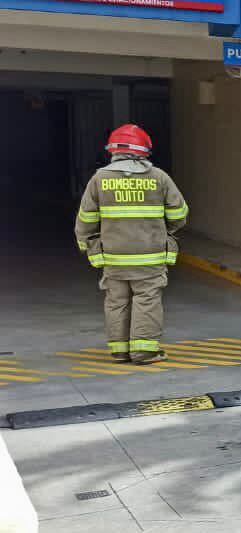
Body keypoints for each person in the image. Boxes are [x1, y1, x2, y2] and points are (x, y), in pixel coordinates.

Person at [74, 124, 188, 364]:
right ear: (144, 150)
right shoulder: (159, 177)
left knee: (116, 301)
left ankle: (119, 350)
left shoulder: (100, 179)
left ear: (113, 150)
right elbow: (179, 214)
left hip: (114, 257)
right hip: (150, 256)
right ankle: (144, 351)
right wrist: (164, 231)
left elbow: (86, 219)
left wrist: (87, 245)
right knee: (147, 299)